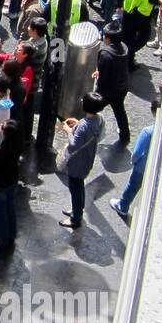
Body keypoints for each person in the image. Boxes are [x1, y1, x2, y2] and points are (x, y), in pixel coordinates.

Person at [60, 93, 105, 230]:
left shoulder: (84, 125)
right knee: (80, 186)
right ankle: (78, 209)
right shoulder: (99, 120)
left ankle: (75, 218)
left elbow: (74, 144)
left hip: (77, 162)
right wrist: (77, 125)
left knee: (75, 188)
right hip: (87, 160)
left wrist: (68, 130)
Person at [95, 21, 131, 145]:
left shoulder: (105, 54)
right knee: (120, 111)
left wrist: (97, 93)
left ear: (108, 38)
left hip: (108, 90)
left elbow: (103, 78)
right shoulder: (124, 48)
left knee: (91, 107)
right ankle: (125, 135)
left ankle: (88, 133)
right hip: (122, 86)